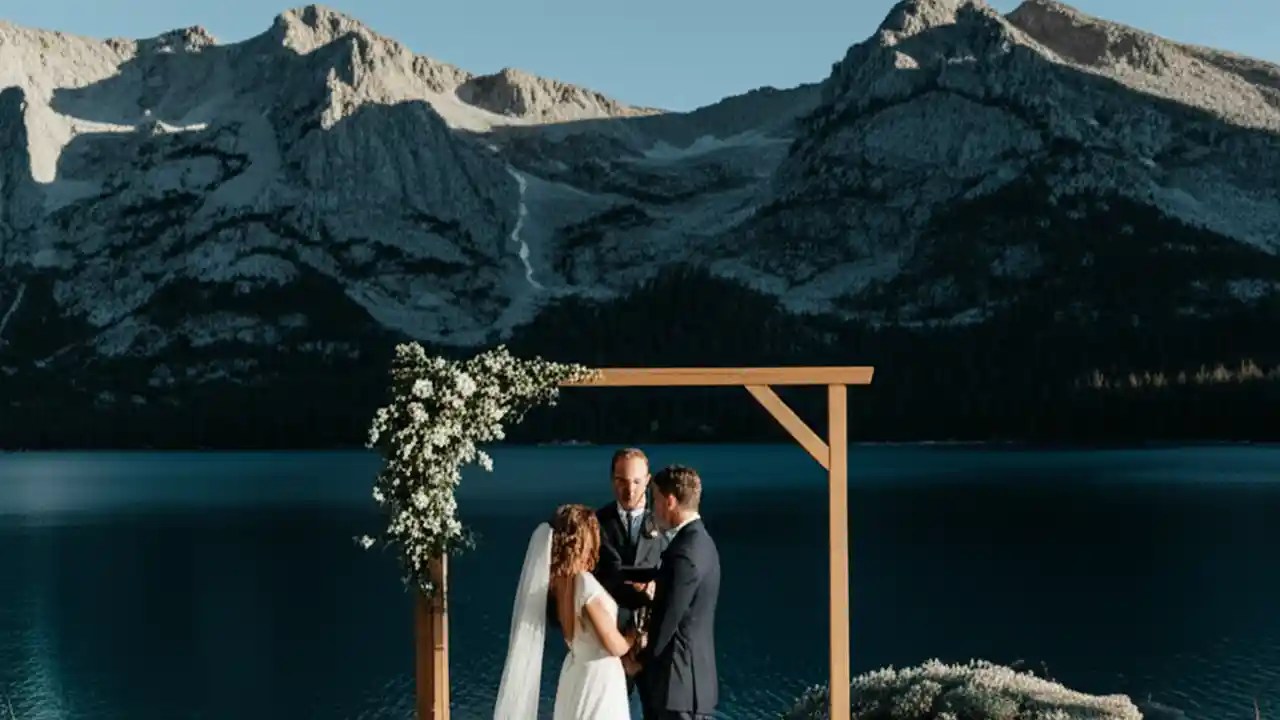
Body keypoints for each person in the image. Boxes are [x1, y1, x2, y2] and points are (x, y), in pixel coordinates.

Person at [494, 504, 638, 719]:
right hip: (599, 679)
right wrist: (633, 637)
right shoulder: (584, 583)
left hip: (575, 672)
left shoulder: (559, 584)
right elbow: (613, 645)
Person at [624, 465, 720, 720]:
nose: (652, 508)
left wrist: (639, 662)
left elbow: (668, 620)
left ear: (669, 501)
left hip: (677, 686)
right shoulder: (701, 543)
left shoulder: (684, 553)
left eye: (654, 499)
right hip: (686, 686)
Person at [592, 448, 666, 712]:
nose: (629, 489)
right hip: (611, 639)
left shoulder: (665, 520)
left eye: (636, 482)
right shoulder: (597, 523)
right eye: (622, 481)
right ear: (613, 480)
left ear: (648, 481)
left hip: (657, 640)